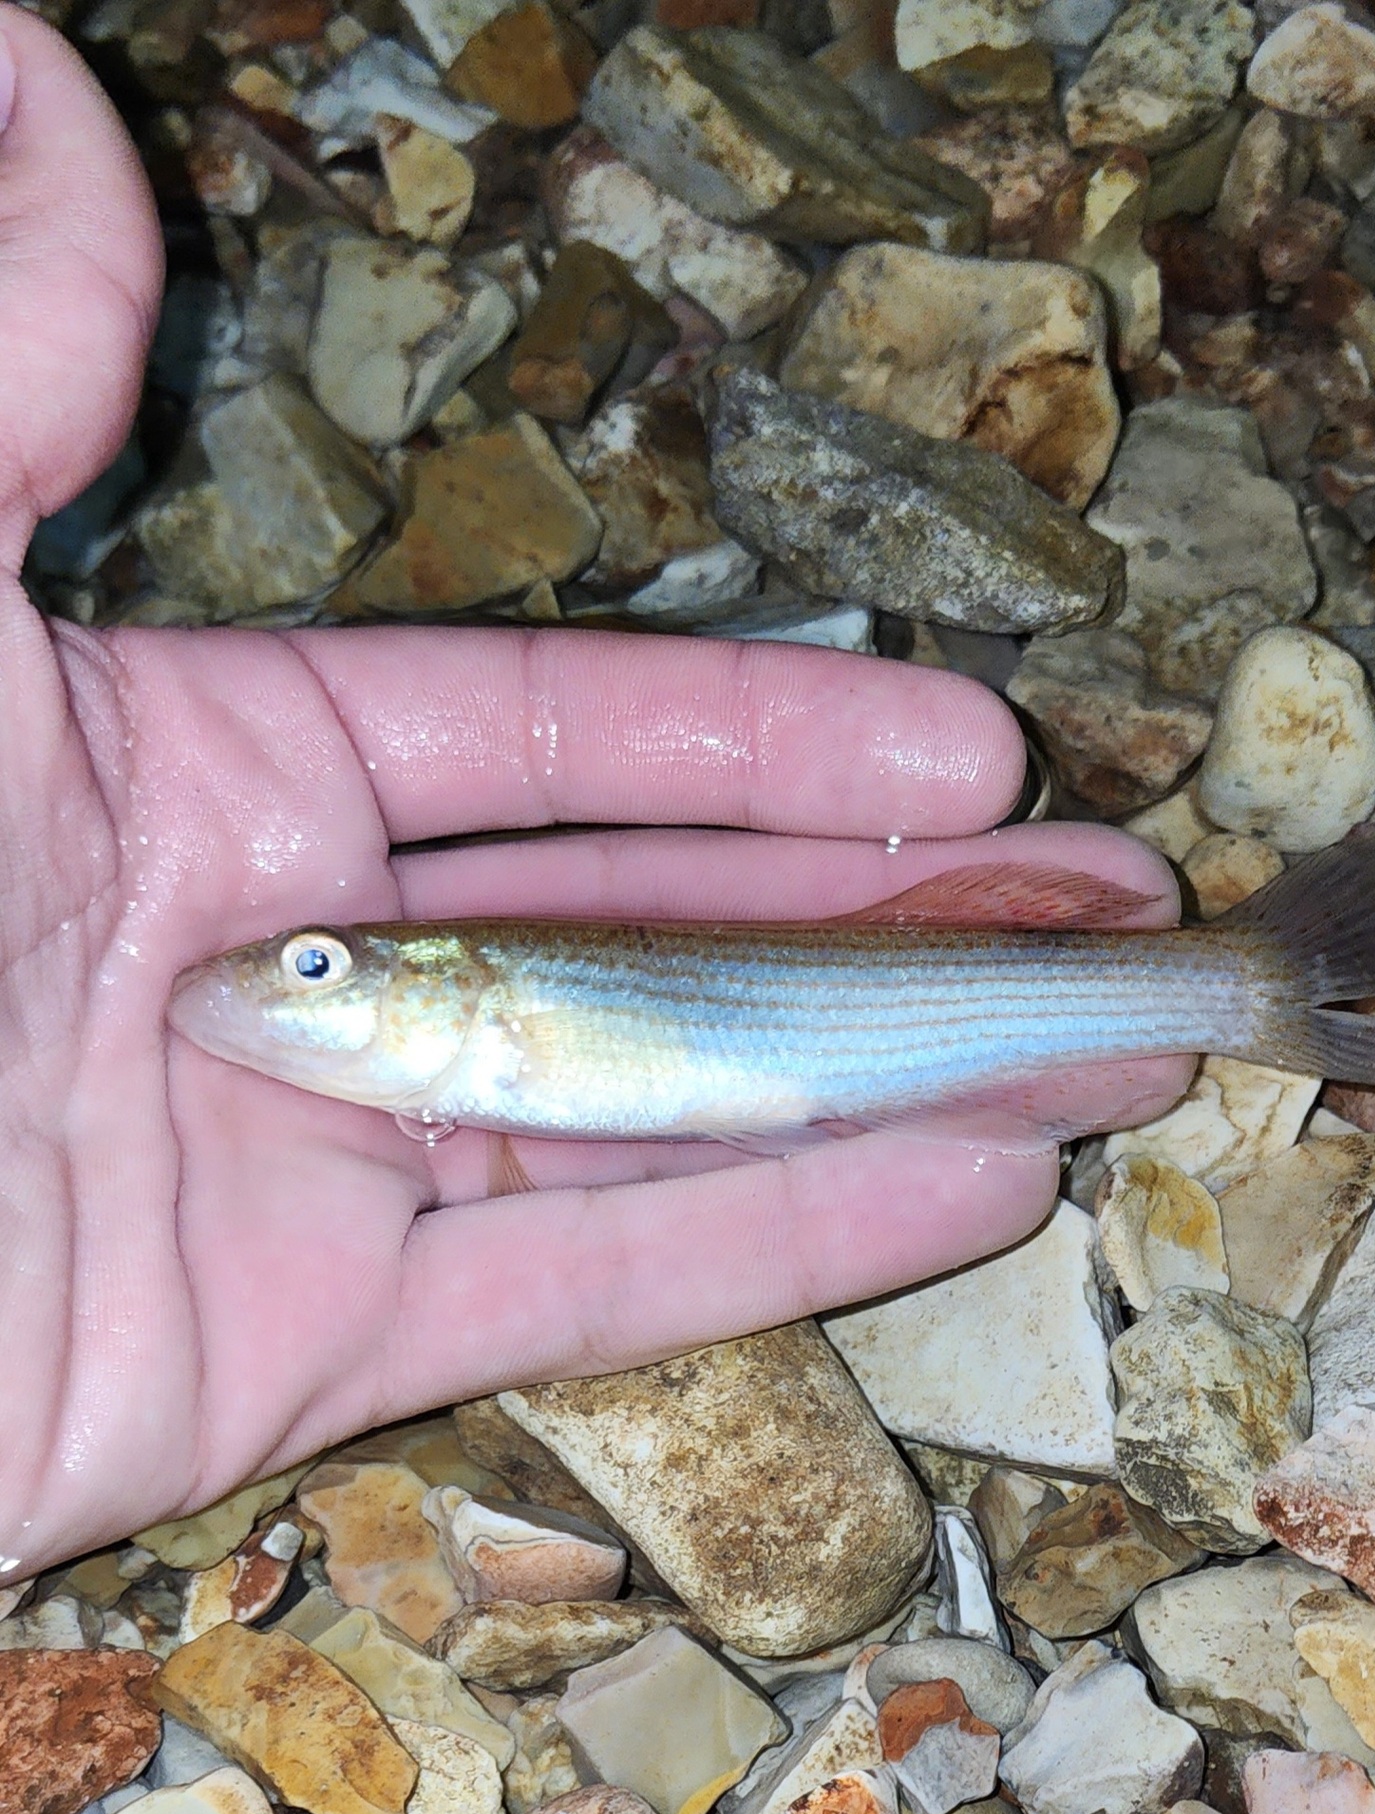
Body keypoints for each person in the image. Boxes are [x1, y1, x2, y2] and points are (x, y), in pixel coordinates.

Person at [0, 3, 1191, 1586]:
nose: (287, 978)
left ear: (452, 987)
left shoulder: (469, 1038)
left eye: (317, 965)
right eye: (315, 962)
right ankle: (1232, 990)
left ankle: (1239, 989)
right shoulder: (428, 1054)